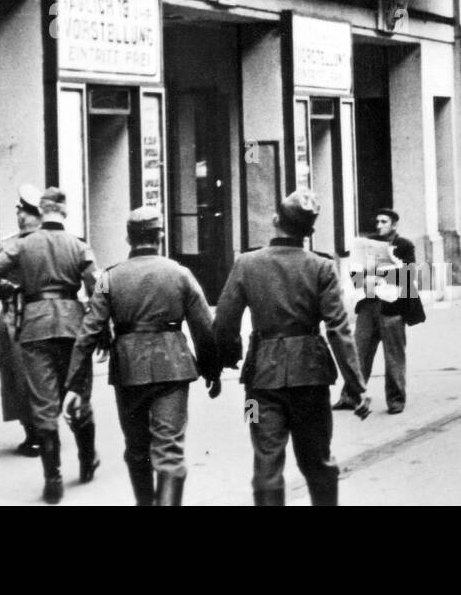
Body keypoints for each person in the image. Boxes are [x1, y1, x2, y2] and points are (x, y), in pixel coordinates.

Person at [213, 190, 371, 506]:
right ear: (309, 232)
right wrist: (357, 386)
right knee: (318, 460)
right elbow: (338, 330)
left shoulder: (246, 263)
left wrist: (219, 366)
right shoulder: (322, 267)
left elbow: (224, 322)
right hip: (311, 379)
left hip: (258, 384)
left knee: (265, 461)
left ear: (275, 221)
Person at [63, 206, 220, 506]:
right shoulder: (180, 274)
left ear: (128, 238)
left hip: (128, 370)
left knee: (137, 449)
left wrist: (73, 385)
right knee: (170, 450)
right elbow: (204, 327)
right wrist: (211, 370)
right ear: (160, 236)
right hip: (173, 366)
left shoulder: (109, 277)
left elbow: (87, 333)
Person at [0, 188, 97, 504]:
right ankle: (87, 460)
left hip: (35, 327)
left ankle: (52, 478)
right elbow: (97, 288)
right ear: (64, 213)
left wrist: (12, 288)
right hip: (73, 327)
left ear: (42, 213)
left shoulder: (23, 245)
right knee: (78, 394)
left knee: (43, 403)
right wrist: (101, 328)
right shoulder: (80, 246)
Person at [336, 208, 415, 414]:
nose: (379, 226)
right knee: (359, 352)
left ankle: (396, 400)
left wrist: (381, 274)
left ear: (394, 225)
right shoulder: (367, 244)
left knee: (393, 356)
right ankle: (350, 396)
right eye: (378, 222)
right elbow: (355, 274)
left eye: (384, 222)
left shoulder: (404, 246)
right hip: (368, 305)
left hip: (392, 306)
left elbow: (408, 276)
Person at [0, 184, 44, 456]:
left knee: (34, 375)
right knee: (14, 374)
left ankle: (40, 429)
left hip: (38, 311)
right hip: (14, 311)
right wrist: (2, 285)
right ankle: (30, 428)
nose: (22, 217)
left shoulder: (52, 240)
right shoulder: (8, 243)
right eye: (20, 211)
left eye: (28, 212)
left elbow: (97, 280)